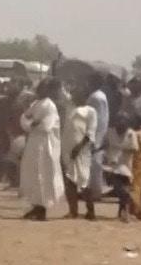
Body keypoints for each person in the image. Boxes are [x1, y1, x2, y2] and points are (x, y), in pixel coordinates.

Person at [17, 79, 64, 220]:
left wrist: (31, 124)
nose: (39, 91)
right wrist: (31, 123)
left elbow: (46, 126)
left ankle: (42, 208)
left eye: (42, 88)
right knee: (33, 173)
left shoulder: (50, 105)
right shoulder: (36, 104)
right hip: (34, 143)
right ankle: (36, 206)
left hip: (45, 145)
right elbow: (24, 119)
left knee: (43, 174)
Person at [64, 87, 100, 220]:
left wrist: (78, 147)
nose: (73, 97)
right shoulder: (70, 109)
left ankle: (91, 211)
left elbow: (90, 132)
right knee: (70, 180)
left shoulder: (91, 111)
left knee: (84, 180)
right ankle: (73, 211)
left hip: (82, 150)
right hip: (68, 148)